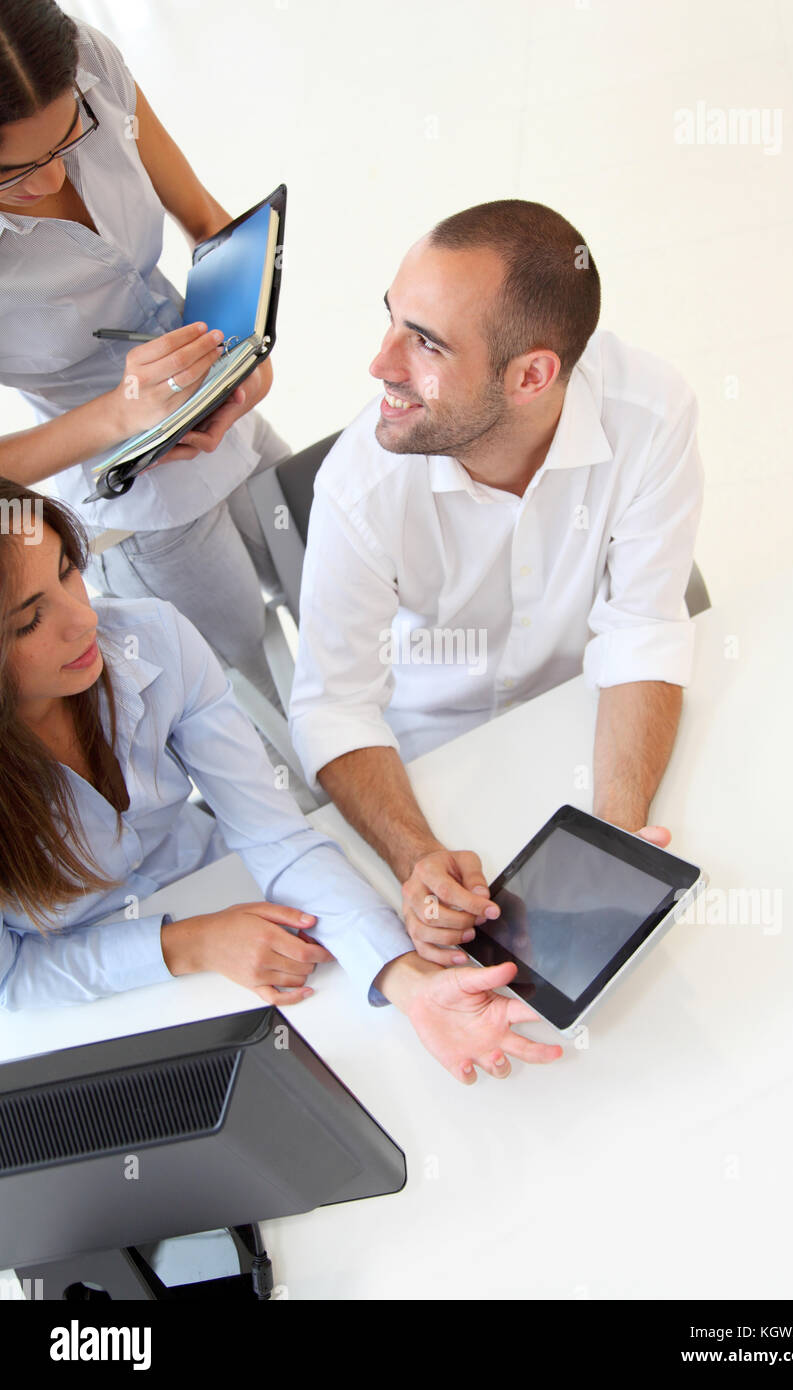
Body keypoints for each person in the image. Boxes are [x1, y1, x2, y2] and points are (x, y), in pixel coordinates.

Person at [0, 480, 563, 1085]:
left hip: (220, 882)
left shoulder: (151, 637)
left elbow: (273, 833)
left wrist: (406, 978)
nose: (84, 618)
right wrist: (191, 944)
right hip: (81, 993)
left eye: (68, 572)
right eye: (31, 620)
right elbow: (12, 975)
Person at [288, 199, 704, 965]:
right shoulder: (360, 486)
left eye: (426, 344)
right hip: (431, 763)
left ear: (532, 376)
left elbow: (643, 629)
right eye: (392, 320)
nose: (380, 364)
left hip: (586, 718)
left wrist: (613, 840)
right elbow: (332, 704)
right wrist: (416, 860)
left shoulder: (651, 414)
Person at [0, 1, 286, 711]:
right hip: (141, 498)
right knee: (249, 680)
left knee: (336, 584)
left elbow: (202, 217)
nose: (55, 180)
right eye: (13, 173)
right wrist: (120, 415)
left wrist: (248, 349)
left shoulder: (89, 65)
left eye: (69, 137)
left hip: (227, 408)